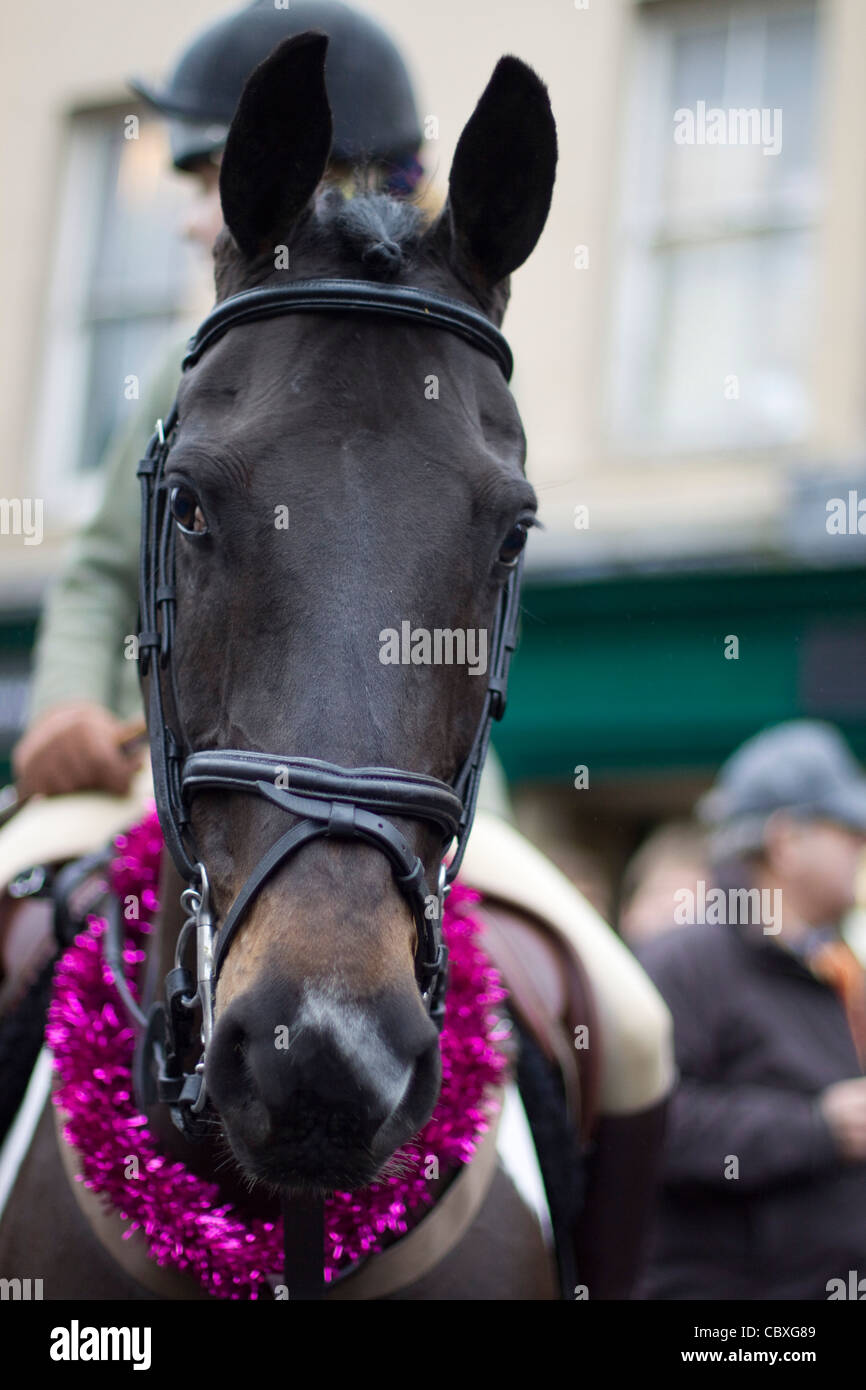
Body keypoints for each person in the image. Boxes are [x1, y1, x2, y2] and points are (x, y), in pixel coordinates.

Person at [635, 720, 866, 1299]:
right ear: (787, 841)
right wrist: (817, 1128)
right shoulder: (684, 962)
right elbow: (653, 1124)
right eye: (850, 831)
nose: (861, 848)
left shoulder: (836, 963)